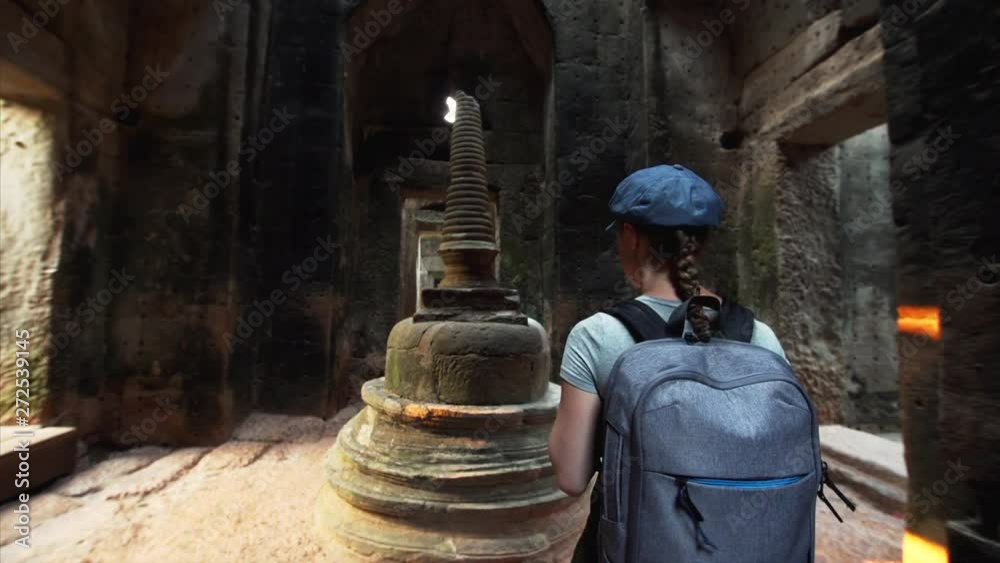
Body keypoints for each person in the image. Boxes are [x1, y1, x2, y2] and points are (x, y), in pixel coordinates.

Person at [547, 164, 788, 561]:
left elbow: (571, 477)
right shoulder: (760, 338)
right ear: (703, 244)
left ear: (629, 235)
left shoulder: (597, 336)